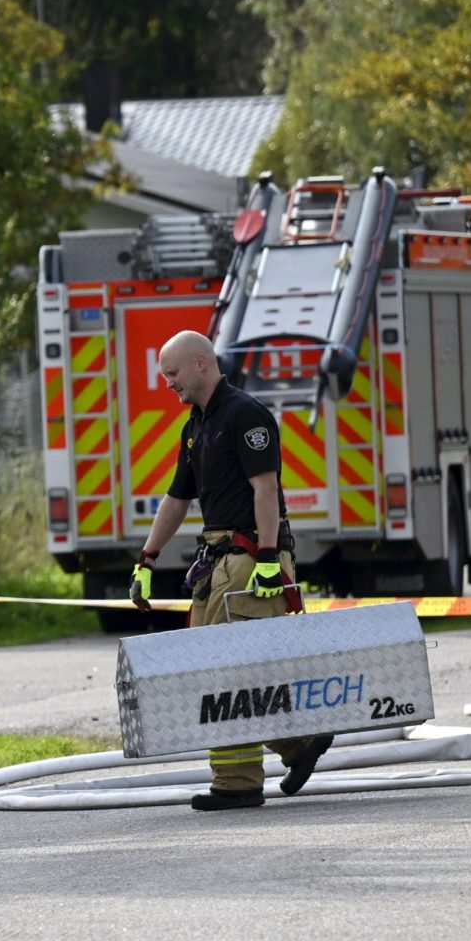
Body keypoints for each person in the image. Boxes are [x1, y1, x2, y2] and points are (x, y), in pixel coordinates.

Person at [130, 331, 332, 810]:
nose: (168, 384)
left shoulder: (245, 414)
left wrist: (266, 559)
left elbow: (265, 489)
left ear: (201, 363)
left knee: (228, 671)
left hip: (248, 558)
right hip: (221, 561)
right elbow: (177, 500)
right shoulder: (195, 426)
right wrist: (147, 560)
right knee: (213, 672)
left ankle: (240, 782)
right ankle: (296, 744)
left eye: (173, 374)